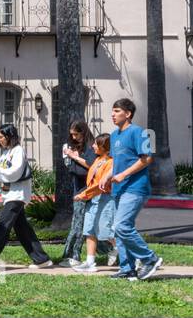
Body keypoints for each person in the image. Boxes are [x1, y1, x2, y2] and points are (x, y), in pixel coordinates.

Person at [0, 124, 53, 270]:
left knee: (2, 227)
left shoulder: (18, 151)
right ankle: (41, 259)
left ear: (9, 136)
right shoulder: (4, 154)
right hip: (9, 195)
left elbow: (14, 173)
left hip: (17, 195)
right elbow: (0, 179)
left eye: (1, 137)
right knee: (23, 229)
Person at [103, 98, 163, 281]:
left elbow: (147, 159)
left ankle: (149, 259)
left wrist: (123, 175)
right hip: (119, 188)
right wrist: (108, 176)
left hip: (136, 188)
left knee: (122, 225)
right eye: (112, 111)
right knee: (120, 229)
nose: (112, 115)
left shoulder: (141, 132)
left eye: (116, 111)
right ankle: (127, 269)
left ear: (127, 114)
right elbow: (116, 161)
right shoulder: (114, 136)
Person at [73, 133, 116, 273]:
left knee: (107, 232)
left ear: (104, 147)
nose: (93, 146)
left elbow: (99, 185)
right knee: (89, 230)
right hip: (93, 199)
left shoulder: (111, 162)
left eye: (96, 144)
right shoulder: (98, 160)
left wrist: (83, 195)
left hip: (105, 199)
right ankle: (90, 262)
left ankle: (135, 256)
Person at [57, 120, 94, 266]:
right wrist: (68, 156)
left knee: (77, 223)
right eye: (71, 135)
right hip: (78, 187)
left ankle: (73, 256)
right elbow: (70, 166)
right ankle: (112, 249)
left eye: (76, 134)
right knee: (89, 224)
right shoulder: (76, 146)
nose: (73, 138)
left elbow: (91, 165)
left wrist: (74, 156)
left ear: (83, 132)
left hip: (88, 188)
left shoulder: (91, 146)